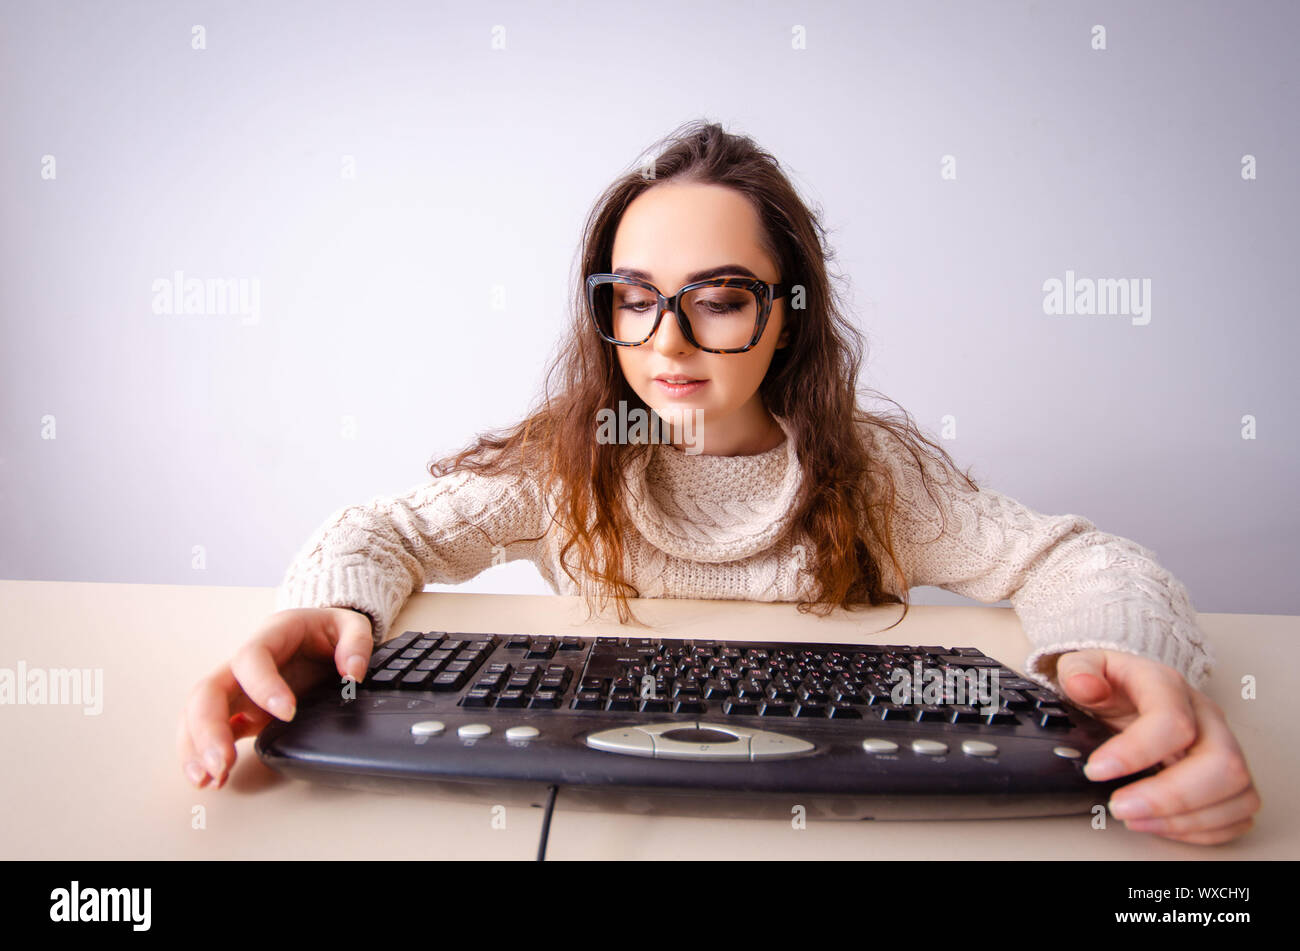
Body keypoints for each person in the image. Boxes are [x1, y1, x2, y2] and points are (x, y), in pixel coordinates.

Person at [177, 120, 1258, 844]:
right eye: (634, 295)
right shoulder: (567, 459)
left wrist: (1123, 657)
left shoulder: (871, 475)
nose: (667, 340)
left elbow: (1075, 558)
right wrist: (324, 610)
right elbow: (385, 530)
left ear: (786, 314)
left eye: (722, 297)